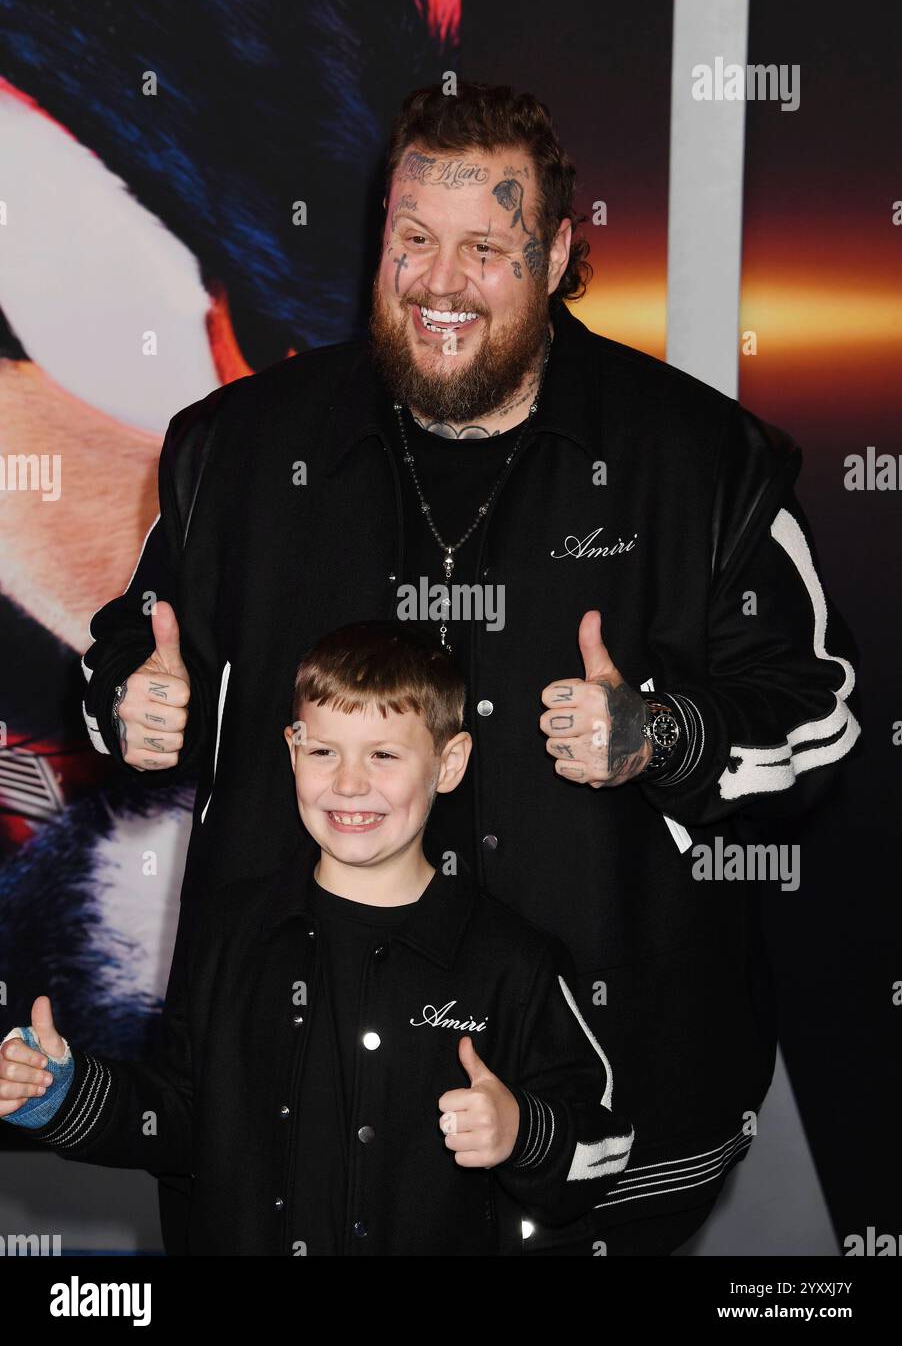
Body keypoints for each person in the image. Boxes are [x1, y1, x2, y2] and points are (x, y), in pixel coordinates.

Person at [74, 82, 860, 1254]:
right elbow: (127, 662)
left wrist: (660, 735)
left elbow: (817, 724)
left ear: (556, 257)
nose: (438, 284)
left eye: (485, 248)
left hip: (602, 1120)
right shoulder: (235, 451)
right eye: (413, 241)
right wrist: (132, 704)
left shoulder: (698, 460)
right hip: (285, 1117)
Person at [1, 622, 635, 1256]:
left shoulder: (514, 961)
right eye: (323, 751)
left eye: (383, 755)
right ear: (291, 751)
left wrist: (522, 1132)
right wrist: (63, 1093)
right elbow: (182, 1118)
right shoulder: (229, 931)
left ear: (450, 763)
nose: (349, 783)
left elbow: (606, 1151)